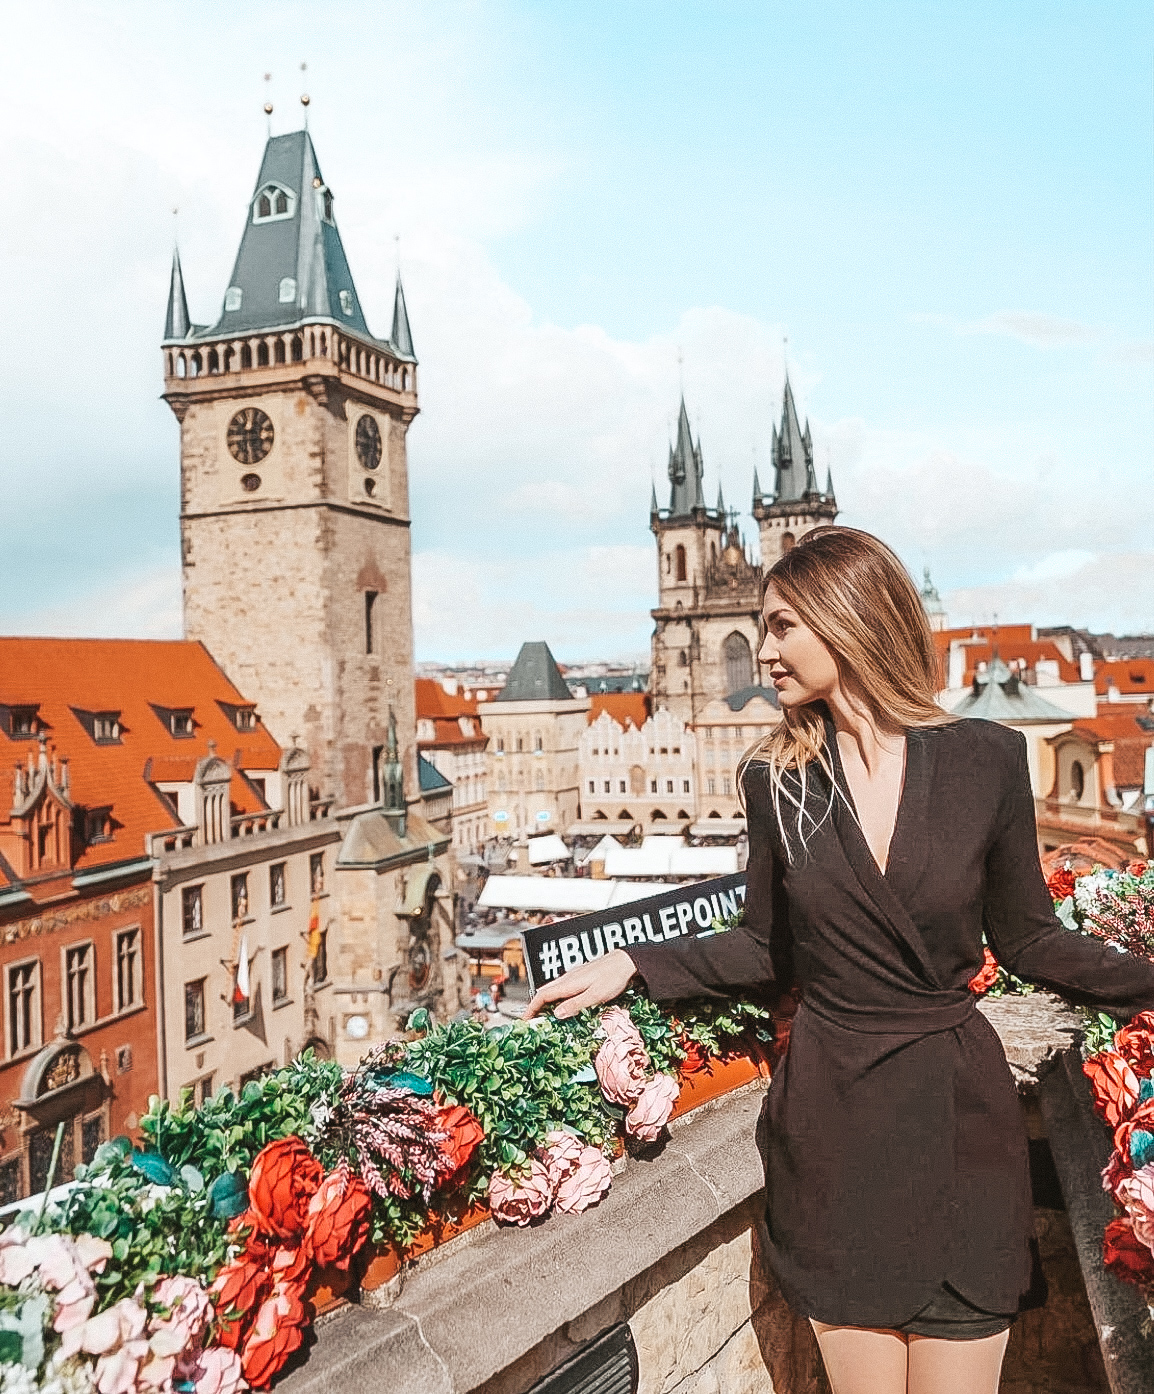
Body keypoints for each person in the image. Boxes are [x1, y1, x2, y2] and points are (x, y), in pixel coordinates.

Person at [526, 527, 1154, 1394]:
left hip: (958, 1125)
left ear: (848, 619)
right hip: (836, 1128)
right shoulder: (778, 781)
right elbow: (765, 944)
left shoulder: (985, 758)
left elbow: (1031, 940)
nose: (764, 651)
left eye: (782, 627)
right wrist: (637, 962)